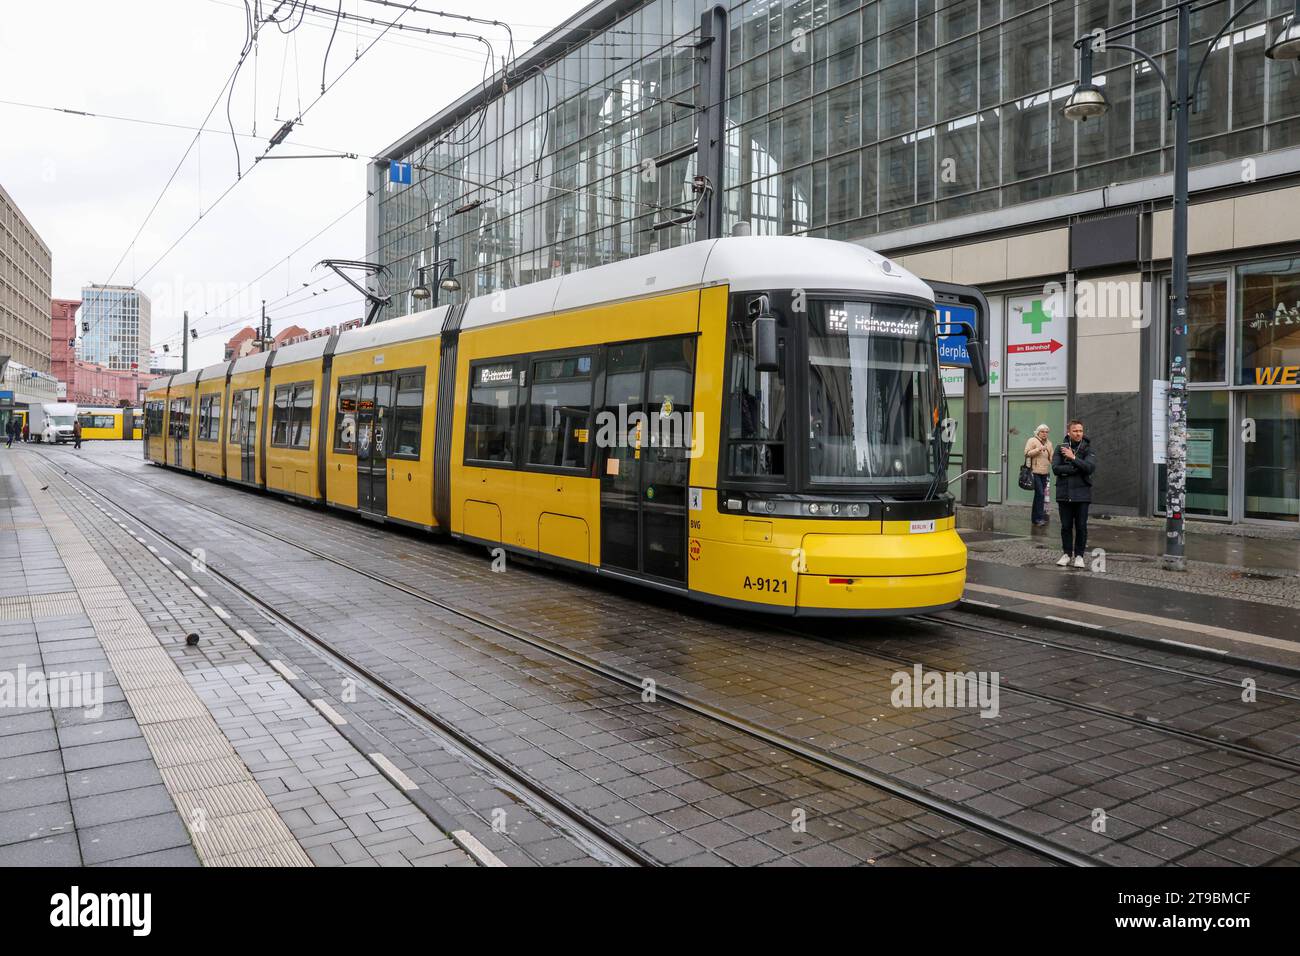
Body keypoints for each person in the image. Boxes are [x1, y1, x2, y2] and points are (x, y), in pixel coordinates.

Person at [1052, 419, 1096, 569]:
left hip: (1082, 494)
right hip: (1064, 493)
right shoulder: (1059, 448)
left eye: (1080, 431)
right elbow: (1056, 469)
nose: (1078, 433)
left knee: (1081, 526)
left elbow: (1089, 468)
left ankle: (1079, 556)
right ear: (1069, 432)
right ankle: (1066, 554)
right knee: (1066, 526)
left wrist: (1073, 458)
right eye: (1075, 431)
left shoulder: (1088, 449)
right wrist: (1076, 468)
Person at [1023, 424, 1053, 527]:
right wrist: (1038, 449)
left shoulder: (1049, 443)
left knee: (1039, 495)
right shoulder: (1032, 440)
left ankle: (1035, 518)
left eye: (1046, 432)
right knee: (1040, 494)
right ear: (1038, 432)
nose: (1045, 434)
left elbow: (1051, 457)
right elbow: (1026, 453)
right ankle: (1039, 518)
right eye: (1043, 432)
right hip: (1034, 471)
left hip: (1045, 472)